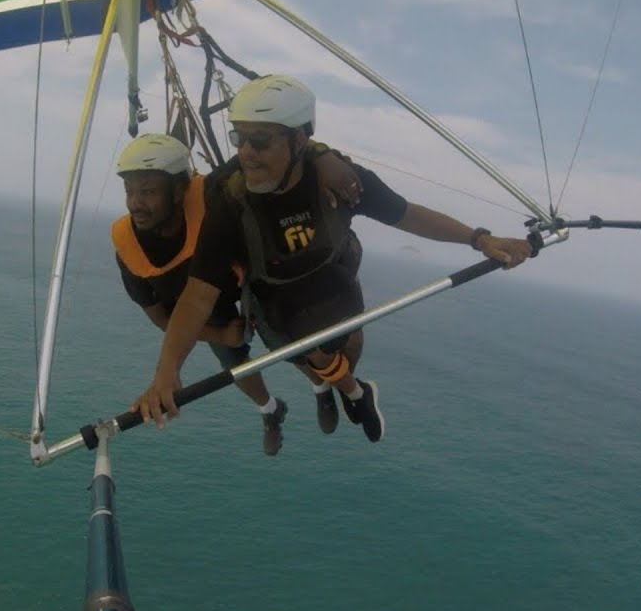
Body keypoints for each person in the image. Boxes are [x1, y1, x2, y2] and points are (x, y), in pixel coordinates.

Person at [129, 75, 534, 443]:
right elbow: (199, 294)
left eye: (262, 141)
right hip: (274, 295)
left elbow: (404, 213)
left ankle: (352, 391)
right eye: (240, 139)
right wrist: (166, 373)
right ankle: (336, 392)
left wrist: (479, 239)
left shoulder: (340, 180)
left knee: (342, 350)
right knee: (301, 356)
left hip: (331, 278)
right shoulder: (232, 202)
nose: (246, 154)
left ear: (299, 140)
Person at [111, 132, 363, 455]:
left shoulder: (212, 191)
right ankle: (270, 410)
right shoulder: (129, 246)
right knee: (232, 360)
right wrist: (219, 333)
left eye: (147, 192)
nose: (135, 203)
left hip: (247, 281)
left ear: (178, 190)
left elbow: (280, 148)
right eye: (130, 191)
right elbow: (161, 317)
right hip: (208, 309)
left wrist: (325, 156)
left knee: (282, 342)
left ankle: (320, 384)